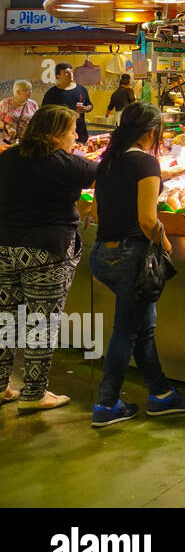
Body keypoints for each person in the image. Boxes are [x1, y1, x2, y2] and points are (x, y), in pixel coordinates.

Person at [89, 102, 185, 427]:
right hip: (133, 258)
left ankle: (161, 395)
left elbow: (97, 212)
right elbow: (149, 220)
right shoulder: (146, 162)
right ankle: (106, 405)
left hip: (101, 253)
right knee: (126, 332)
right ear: (152, 131)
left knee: (141, 329)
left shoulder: (108, 161)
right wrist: (167, 247)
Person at [0, 106, 98, 412]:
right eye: (71, 131)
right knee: (41, 322)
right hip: (47, 253)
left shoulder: (9, 158)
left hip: (5, 250)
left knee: (7, 321)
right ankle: (33, 393)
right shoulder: (64, 163)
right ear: (56, 134)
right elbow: (107, 177)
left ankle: (0, 386)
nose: (74, 137)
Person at [41, 62, 92, 143]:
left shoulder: (81, 89)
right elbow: (44, 113)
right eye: (66, 73)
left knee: (80, 153)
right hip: (60, 133)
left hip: (80, 132)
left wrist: (86, 108)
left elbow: (90, 105)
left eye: (71, 72)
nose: (70, 74)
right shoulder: (51, 93)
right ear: (58, 76)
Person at [0, 79, 38, 143]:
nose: (30, 92)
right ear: (18, 92)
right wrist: (7, 127)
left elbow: (38, 120)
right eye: (27, 90)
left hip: (27, 140)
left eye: (30, 89)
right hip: (7, 140)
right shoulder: (5, 103)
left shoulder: (33, 104)